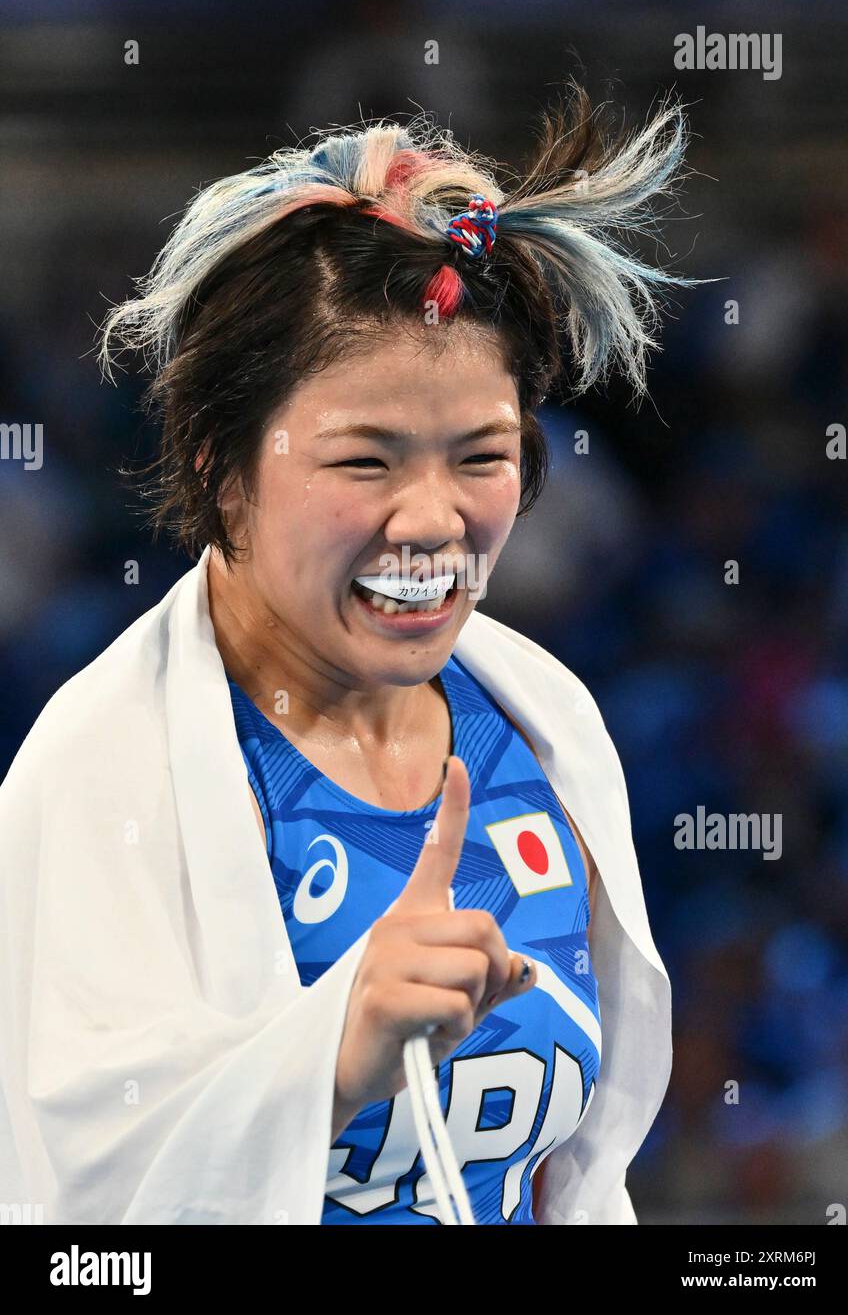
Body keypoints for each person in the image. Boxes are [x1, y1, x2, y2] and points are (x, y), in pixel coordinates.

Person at [0, 81, 700, 1224]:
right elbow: (67, 1214)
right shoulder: (99, 771)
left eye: (480, 455)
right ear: (221, 471)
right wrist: (326, 1058)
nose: (430, 519)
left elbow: (575, 1177)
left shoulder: (545, 721)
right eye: (364, 461)